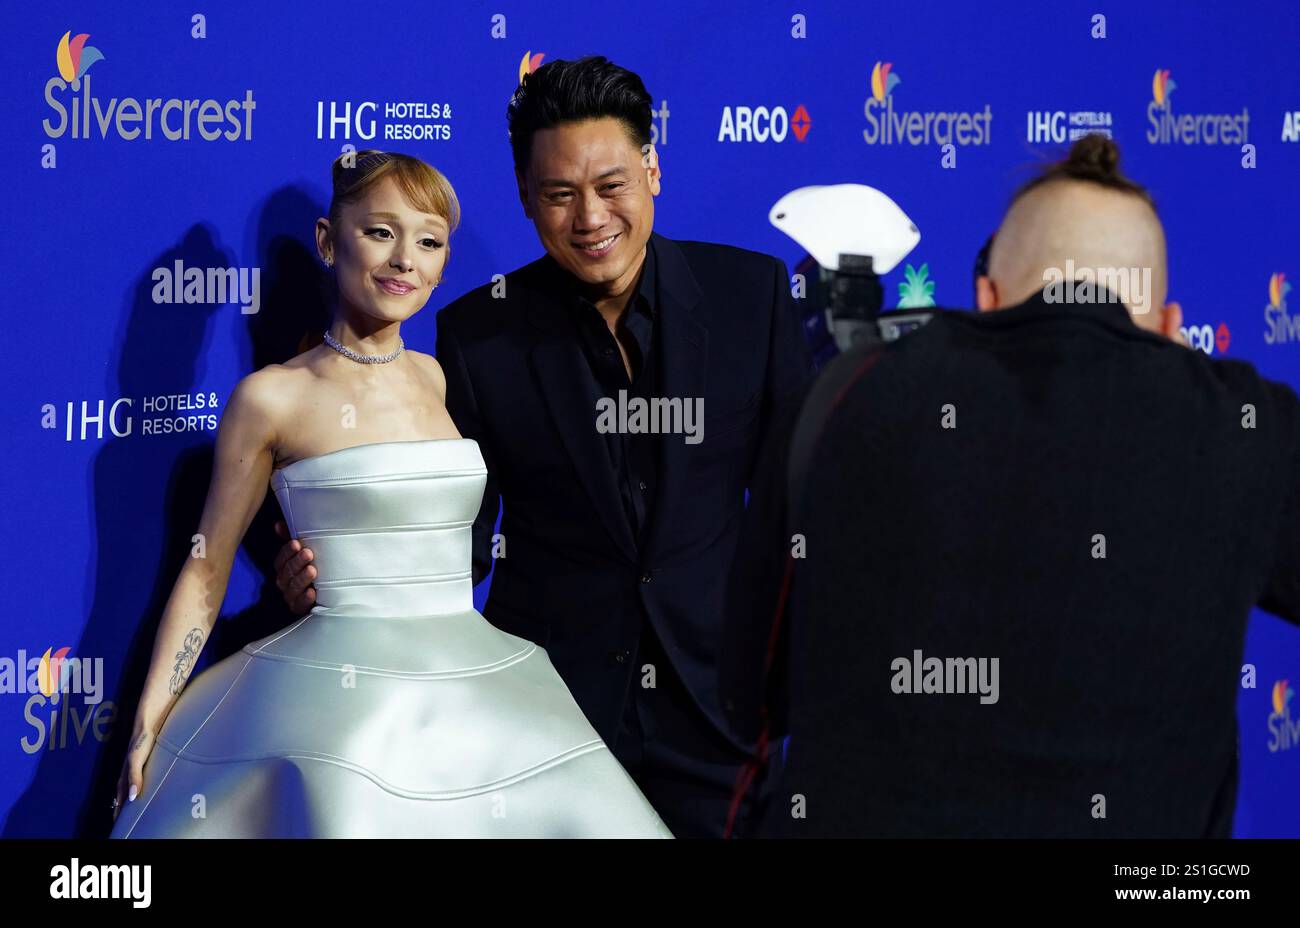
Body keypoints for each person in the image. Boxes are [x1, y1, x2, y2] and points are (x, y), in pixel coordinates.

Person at [274, 56, 812, 838]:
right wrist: (342, 578)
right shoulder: (479, 335)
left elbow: (799, 513)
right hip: (548, 721)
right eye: (560, 194)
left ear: (653, 170)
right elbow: (458, 541)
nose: (590, 218)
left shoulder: (750, 296)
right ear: (527, 199)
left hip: (722, 717)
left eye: (612, 185)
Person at [736, 134, 1300, 837]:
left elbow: (746, 695)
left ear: (986, 298)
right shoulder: (1248, 423)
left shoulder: (843, 393)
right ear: (1168, 322)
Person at [111, 150, 671, 838]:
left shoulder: (438, 377)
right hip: (340, 705)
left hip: (477, 689)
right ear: (328, 240)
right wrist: (148, 721)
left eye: (429, 242)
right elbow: (207, 563)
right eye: (380, 232)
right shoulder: (273, 397)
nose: (406, 258)